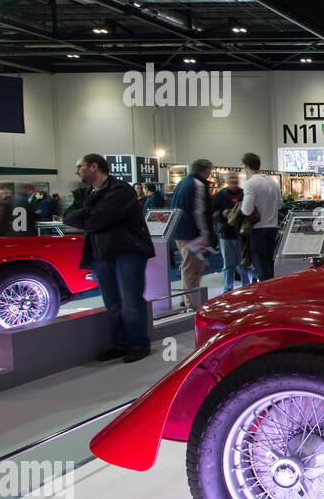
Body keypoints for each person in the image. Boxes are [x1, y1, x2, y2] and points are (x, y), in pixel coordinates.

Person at [64, 155, 154, 362]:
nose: (77, 171)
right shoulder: (85, 193)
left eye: (80, 167)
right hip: (99, 254)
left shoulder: (121, 190)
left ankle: (138, 344)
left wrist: (85, 215)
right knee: (112, 303)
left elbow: (99, 218)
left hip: (127, 252)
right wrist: (88, 214)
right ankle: (121, 344)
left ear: (94, 166)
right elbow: (67, 217)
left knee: (130, 300)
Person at [171, 159, 215, 309]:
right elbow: (199, 212)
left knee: (188, 267)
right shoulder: (198, 185)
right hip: (192, 234)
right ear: (206, 170)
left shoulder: (183, 183)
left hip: (182, 232)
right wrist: (204, 234)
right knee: (192, 270)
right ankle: (192, 304)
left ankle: (187, 299)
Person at [240, 152, 281, 281]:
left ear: (246, 166)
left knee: (260, 264)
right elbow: (280, 205)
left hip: (258, 228)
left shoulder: (250, 183)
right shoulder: (272, 182)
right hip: (273, 227)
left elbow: (246, 210)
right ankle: (271, 289)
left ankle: (265, 293)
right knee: (269, 262)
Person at [212, 171, 250, 292]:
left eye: (236, 178)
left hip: (242, 235)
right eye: (231, 178)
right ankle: (227, 289)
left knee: (245, 264)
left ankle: (247, 288)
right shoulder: (219, 196)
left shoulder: (244, 194)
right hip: (226, 235)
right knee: (228, 266)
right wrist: (221, 214)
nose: (234, 180)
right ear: (227, 180)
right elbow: (212, 214)